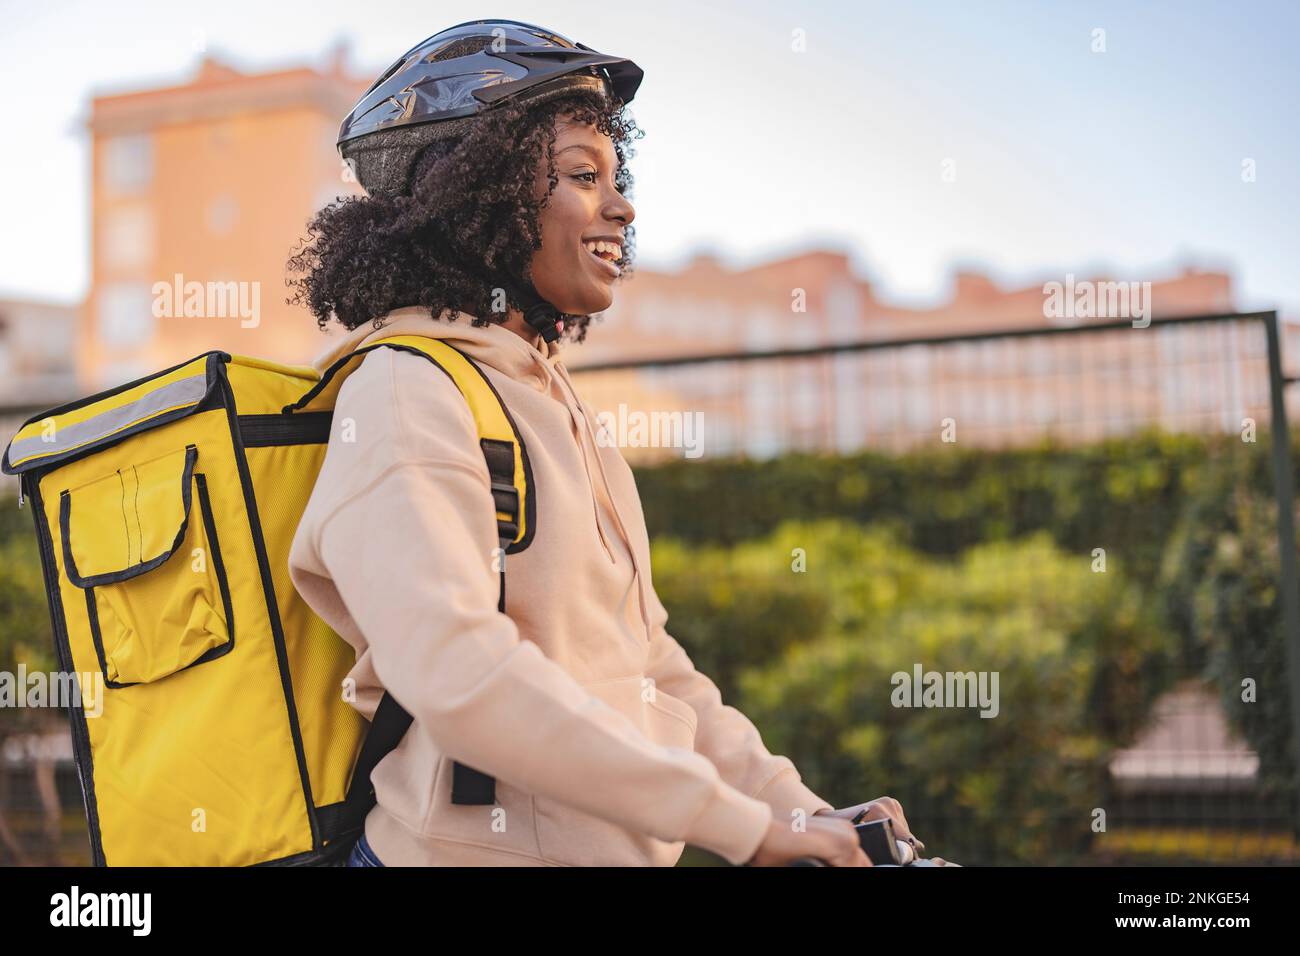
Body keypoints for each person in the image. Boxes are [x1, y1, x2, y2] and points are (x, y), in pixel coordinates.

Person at [287, 18, 916, 867]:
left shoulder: (551, 403)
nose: (621, 207)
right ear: (477, 201)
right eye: (583, 176)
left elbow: (653, 667)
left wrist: (796, 813)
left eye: (616, 178)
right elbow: (459, 675)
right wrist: (740, 831)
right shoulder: (405, 391)